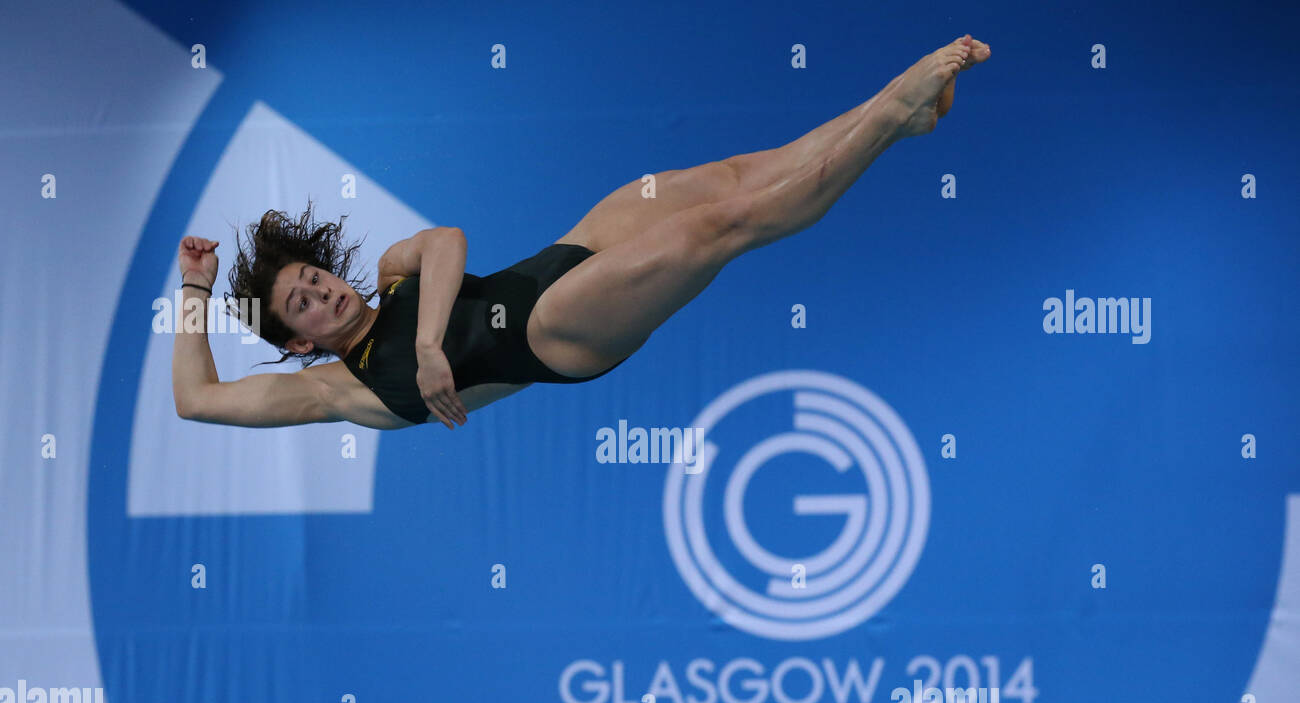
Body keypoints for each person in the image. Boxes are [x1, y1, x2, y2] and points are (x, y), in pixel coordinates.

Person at [172, 35, 989, 431]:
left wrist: (427, 345)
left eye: (314, 278)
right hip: (555, 332)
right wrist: (195, 293)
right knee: (724, 225)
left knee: (747, 172)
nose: (321, 291)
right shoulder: (335, 391)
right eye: (304, 305)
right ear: (299, 341)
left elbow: (448, 240)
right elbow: (196, 400)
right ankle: (892, 108)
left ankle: (900, 118)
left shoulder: (392, 273)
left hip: (571, 251)